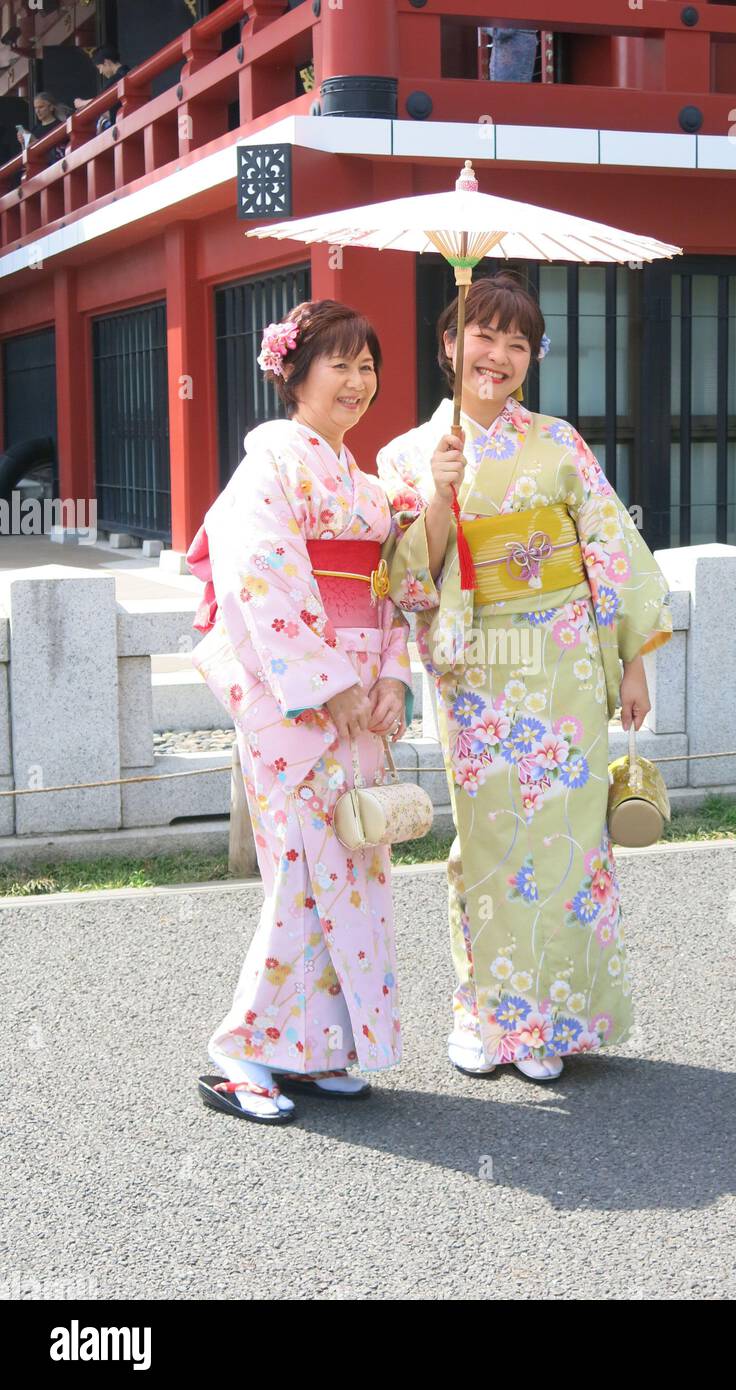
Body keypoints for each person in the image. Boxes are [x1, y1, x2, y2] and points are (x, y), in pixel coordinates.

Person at [378, 272, 672, 1084]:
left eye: (517, 343)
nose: (499, 355)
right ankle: (483, 1013)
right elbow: (408, 581)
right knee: (489, 838)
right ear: (449, 344)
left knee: (571, 835)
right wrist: (437, 497)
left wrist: (634, 661)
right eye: (484, 336)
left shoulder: (559, 441)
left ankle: (557, 1017)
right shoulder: (405, 453)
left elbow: (610, 552)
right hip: (476, 664)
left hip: (566, 656)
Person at [188, 300, 412, 1124]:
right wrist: (327, 683)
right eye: (339, 365)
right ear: (295, 372)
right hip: (303, 699)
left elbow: (387, 589)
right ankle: (240, 1050)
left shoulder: (365, 484)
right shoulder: (269, 467)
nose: (357, 382)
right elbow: (262, 580)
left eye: (367, 366)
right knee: (300, 875)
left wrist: (392, 675)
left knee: (354, 867)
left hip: (356, 696)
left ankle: (313, 1050)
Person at [73, 44, 130, 131]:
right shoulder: (131, 72)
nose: (100, 72)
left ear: (106, 62)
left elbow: (99, 103)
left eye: (100, 67)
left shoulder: (113, 81)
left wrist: (81, 103)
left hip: (122, 127)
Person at [16, 91, 69, 175]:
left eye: (41, 107)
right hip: (39, 173)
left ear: (51, 107)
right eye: (35, 108)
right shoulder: (35, 130)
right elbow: (27, 156)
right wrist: (23, 142)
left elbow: (59, 152)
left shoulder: (60, 126)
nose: (37, 111)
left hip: (56, 170)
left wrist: (34, 141)